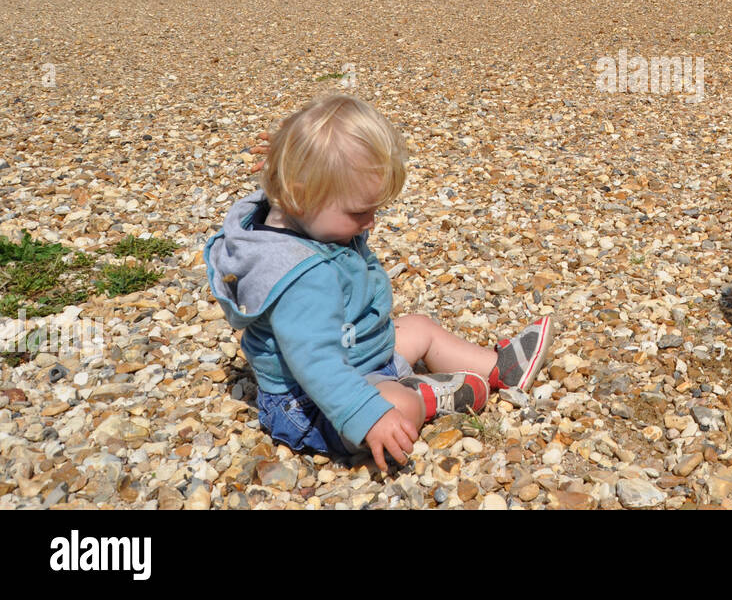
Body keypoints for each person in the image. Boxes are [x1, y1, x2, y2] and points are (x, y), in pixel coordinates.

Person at [206, 94, 555, 469]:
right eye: (360, 211)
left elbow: (310, 170)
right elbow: (316, 363)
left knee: (419, 327)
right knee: (397, 407)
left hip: (360, 352)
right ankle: (423, 396)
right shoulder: (302, 277)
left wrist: (285, 154)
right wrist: (367, 414)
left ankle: (499, 368)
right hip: (311, 401)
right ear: (299, 194)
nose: (371, 222)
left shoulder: (302, 210)